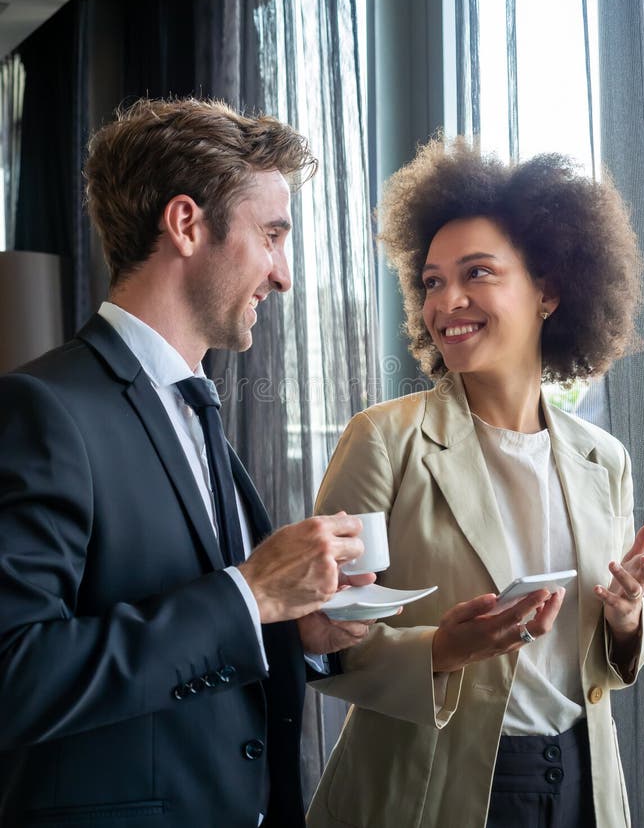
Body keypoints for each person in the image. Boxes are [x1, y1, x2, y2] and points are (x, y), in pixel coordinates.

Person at [0, 98, 374, 828]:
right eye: (271, 235)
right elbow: (16, 673)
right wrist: (247, 597)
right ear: (185, 224)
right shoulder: (42, 410)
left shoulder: (196, 411)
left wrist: (290, 630)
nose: (284, 274)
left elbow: (203, 629)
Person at [306, 138, 644, 828]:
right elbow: (325, 637)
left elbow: (607, 655)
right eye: (433, 281)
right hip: (432, 785)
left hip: (581, 780)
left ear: (547, 291)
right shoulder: (384, 441)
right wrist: (441, 649)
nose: (448, 300)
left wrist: (626, 619)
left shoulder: (604, 460)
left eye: (477, 273)